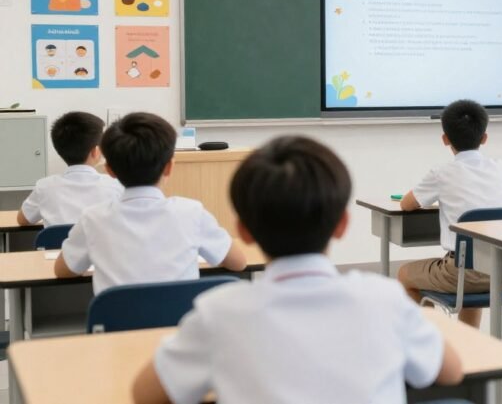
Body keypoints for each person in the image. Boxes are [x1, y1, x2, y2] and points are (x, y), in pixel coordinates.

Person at [131, 136, 463, 404]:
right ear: (342, 226)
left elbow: (144, 395)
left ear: (243, 231)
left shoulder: (219, 313)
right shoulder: (385, 299)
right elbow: (450, 373)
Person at [54, 112, 247, 294]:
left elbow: (63, 270)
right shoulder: (191, 212)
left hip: (117, 327)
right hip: (179, 325)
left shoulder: (92, 219)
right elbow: (239, 263)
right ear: (169, 167)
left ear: (110, 171)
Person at [396, 99, 502, 328]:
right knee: (478, 256)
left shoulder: (442, 173)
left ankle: (434, 339)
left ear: (445, 139)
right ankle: (466, 340)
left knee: (404, 274)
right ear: (484, 138)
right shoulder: (501, 168)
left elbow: (406, 204)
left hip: (463, 274)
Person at [18, 111, 123, 227]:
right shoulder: (115, 186)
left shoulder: (45, 187)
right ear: (96, 151)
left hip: (60, 245)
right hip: (101, 245)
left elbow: (23, 220)